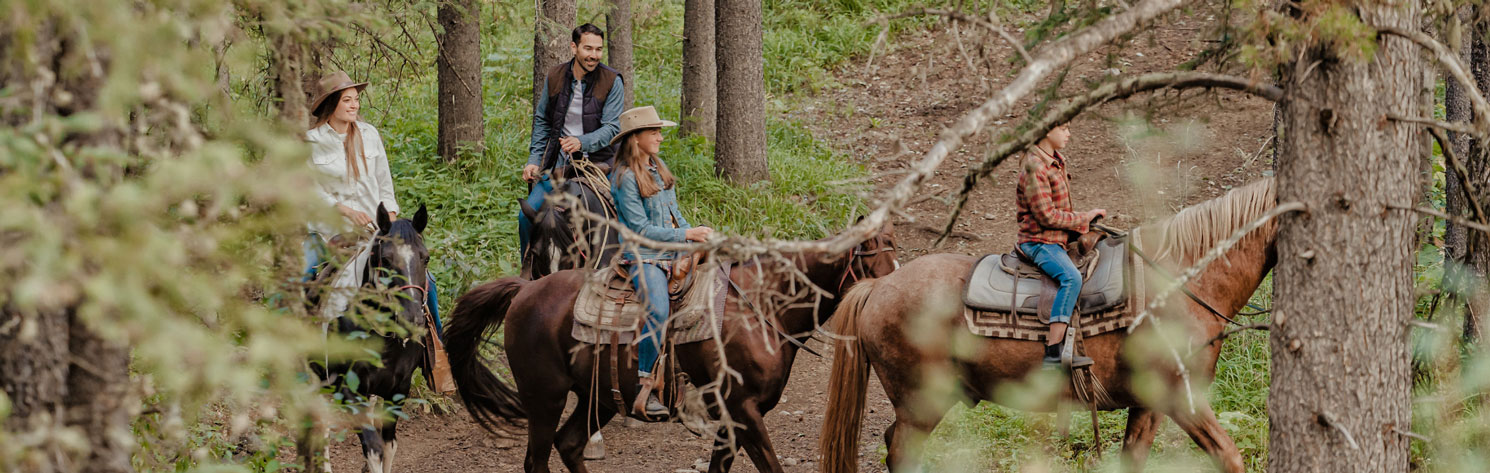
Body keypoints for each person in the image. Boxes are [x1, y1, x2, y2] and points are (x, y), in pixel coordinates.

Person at [304, 71, 442, 335]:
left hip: (373, 232)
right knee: (301, 275)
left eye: (356, 99)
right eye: (347, 100)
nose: (354, 105)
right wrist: (344, 210)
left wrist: (390, 222)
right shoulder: (312, 142)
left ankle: (438, 353)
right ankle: (296, 356)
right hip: (328, 233)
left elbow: (384, 185)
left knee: (427, 283)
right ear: (331, 104)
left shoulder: (369, 134)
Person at [609, 106, 713, 418]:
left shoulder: (657, 167)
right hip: (645, 257)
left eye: (659, 130)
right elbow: (640, 229)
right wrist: (686, 234)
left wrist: (698, 235)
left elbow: (673, 215)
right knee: (657, 308)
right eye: (653, 132)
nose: (660, 136)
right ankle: (646, 385)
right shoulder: (625, 178)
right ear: (635, 138)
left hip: (671, 250)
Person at [521, 23, 626, 261]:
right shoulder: (555, 76)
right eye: (588, 48)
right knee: (526, 216)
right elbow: (543, 121)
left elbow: (612, 127)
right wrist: (534, 160)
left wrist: (581, 142)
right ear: (573, 47)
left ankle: (624, 266)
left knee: (623, 212)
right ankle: (529, 271)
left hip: (601, 164)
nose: (594, 55)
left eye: (599, 49)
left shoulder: (612, 80)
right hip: (559, 165)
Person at [1015, 122, 1105, 368]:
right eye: (1064, 128)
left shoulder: (1056, 161)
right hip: (1039, 241)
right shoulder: (1035, 166)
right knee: (1071, 278)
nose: (1069, 133)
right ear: (1046, 130)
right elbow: (1046, 216)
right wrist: (1083, 219)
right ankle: (1053, 351)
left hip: (1057, 238)